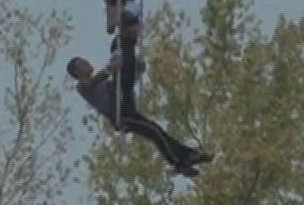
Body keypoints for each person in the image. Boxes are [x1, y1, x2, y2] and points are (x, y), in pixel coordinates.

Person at [69, 32, 209, 178]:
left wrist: (133, 68)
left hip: (126, 110)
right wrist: (111, 67)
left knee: (155, 130)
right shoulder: (82, 86)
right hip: (119, 116)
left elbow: (122, 86)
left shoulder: (106, 84)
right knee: (153, 131)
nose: (87, 62)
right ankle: (177, 163)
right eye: (83, 63)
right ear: (76, 72)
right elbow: (92, 82)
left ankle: (187, 155)